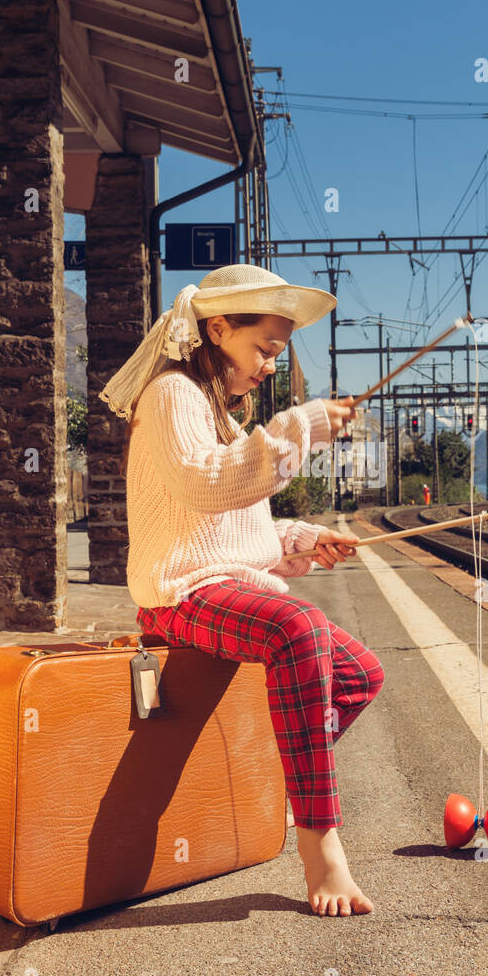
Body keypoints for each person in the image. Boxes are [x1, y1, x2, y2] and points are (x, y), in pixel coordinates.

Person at [99, 264, 385, 917]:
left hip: (223, 586)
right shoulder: (172, 393)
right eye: (263, 350)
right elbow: (211, 487)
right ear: (219, 329)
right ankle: (320, 845)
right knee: (300, 629)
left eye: (275, 356)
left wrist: (303, 539)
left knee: (360, 673)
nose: (267, 368)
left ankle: (269, 782)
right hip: (181, 594)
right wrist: (301, 427)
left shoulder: (218, 413)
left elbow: (232, 524)